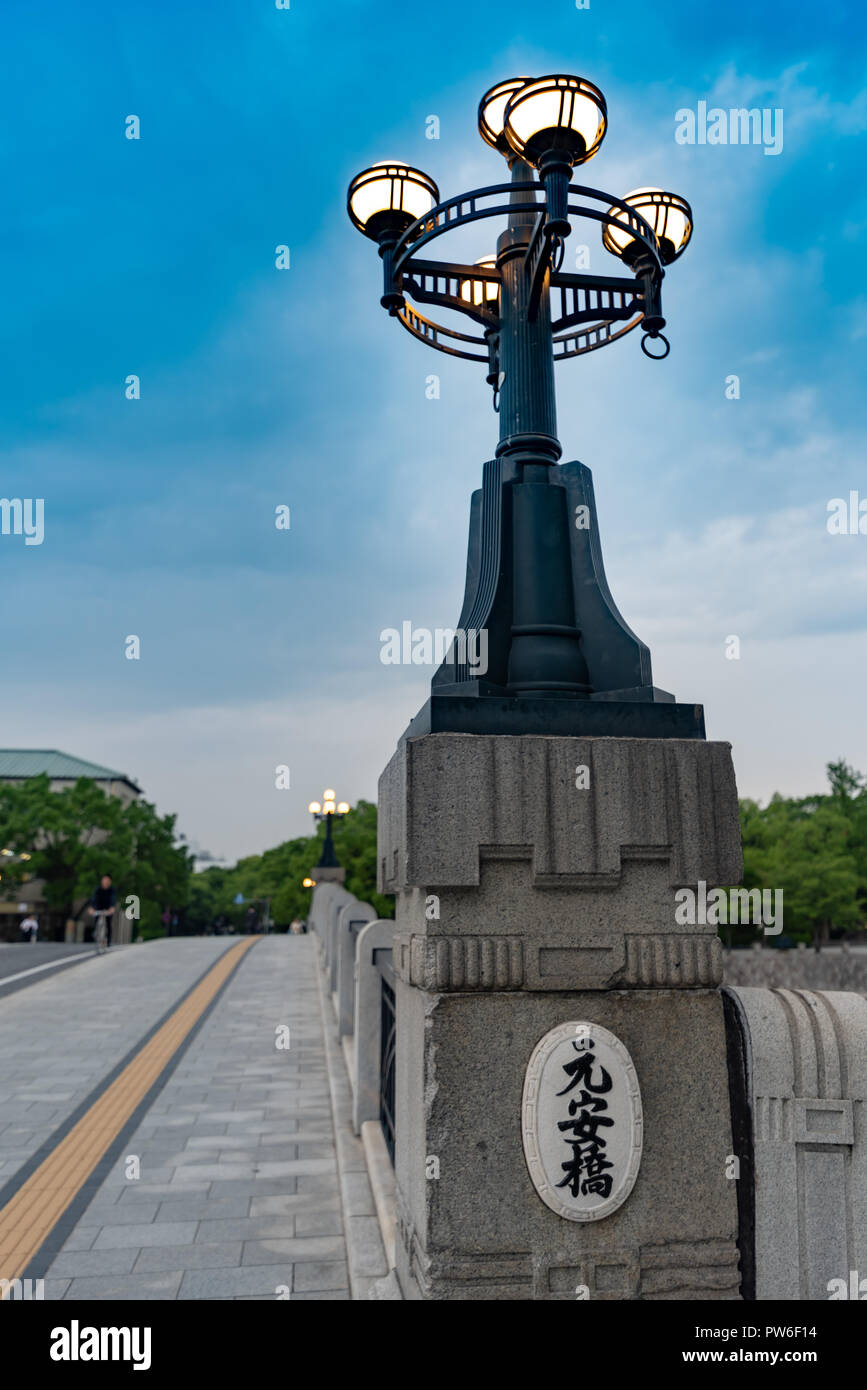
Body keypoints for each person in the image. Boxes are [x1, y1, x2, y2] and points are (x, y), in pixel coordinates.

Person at [88, 874, 116, 948]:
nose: (106, 882)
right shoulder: (98, 889)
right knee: (96, 920)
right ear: (102, 881)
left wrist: (112, 908)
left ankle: (108, 941)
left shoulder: (112, 890)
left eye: (107, 880)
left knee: (108, 924)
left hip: (108, 908)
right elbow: (93, 899)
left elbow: (113, 899)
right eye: (104, 880)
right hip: (98, 907)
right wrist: (91, 908)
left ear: (110, 882)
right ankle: (96, 932)